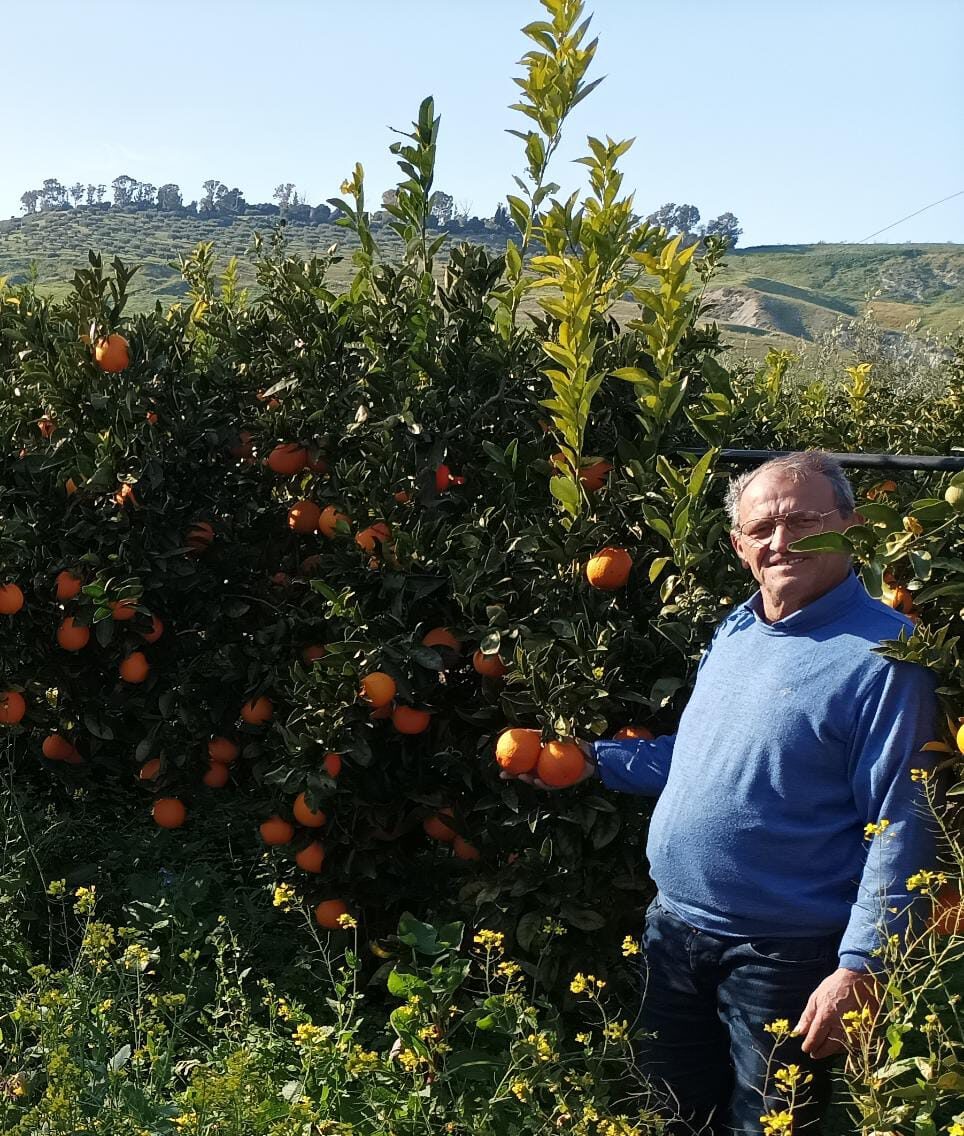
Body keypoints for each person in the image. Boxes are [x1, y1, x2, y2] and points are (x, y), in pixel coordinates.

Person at [508, 451, 939, 1135]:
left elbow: (903, 821)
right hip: (675, 929)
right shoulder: (739, 628)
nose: (781, 542)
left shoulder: (887, 656)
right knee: (671, 1116)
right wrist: (593, 760)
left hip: (784, 955)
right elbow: (702, 757)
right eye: (761, 528)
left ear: (852, 526)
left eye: (804, 522)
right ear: (739, 547)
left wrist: (863, 964)